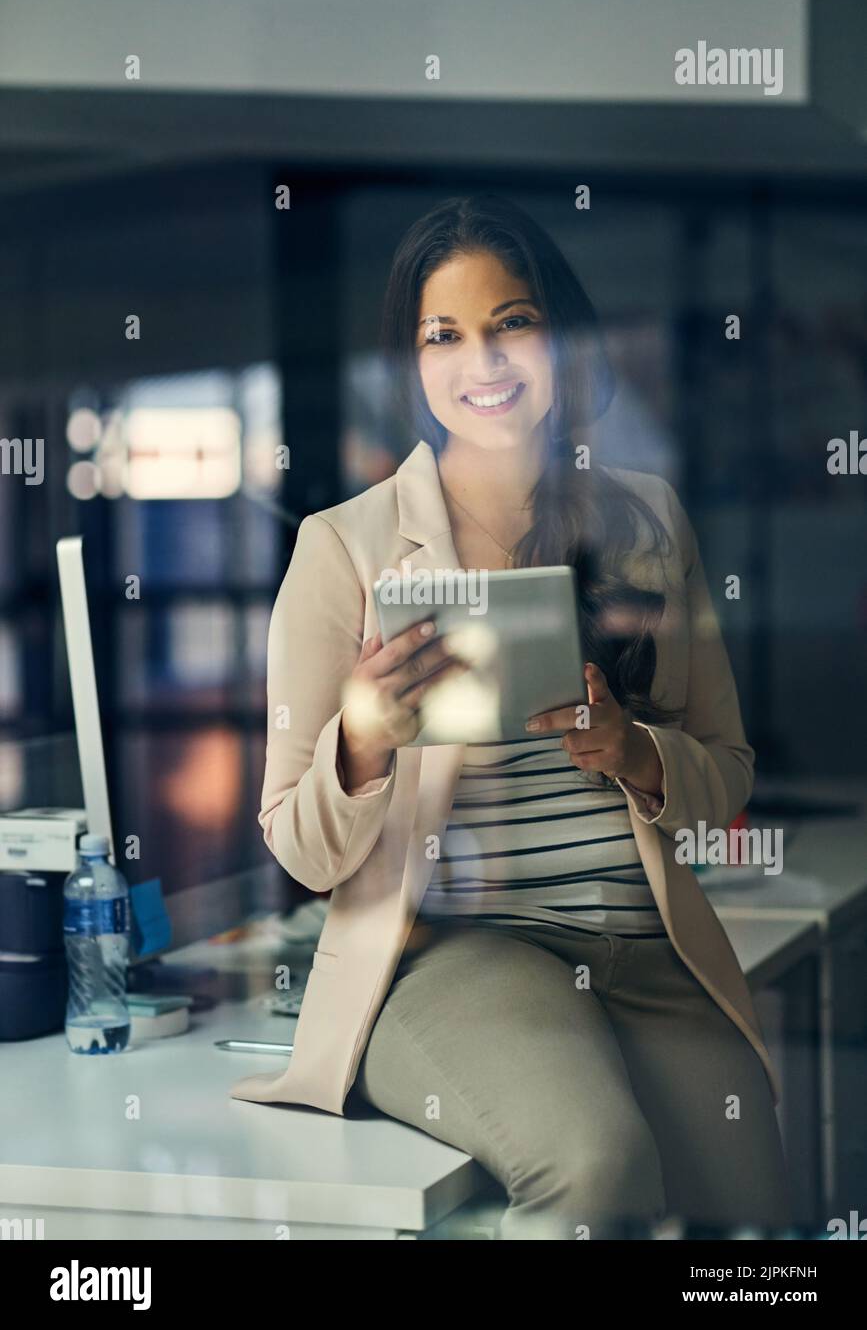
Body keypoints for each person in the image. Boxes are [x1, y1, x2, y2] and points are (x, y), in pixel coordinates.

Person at [230, 193, 792, 1240]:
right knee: (595, 1166)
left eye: (513, 322)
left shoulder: (646, 518)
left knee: (753, 1197)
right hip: (458, 951)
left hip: (639, 938)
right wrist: (360, 741)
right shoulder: (344, 547)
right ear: (412, 363)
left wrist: (636, 750)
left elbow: (729, 765)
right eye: (444, 334)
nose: (482, 361)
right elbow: (300, 851)